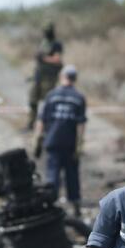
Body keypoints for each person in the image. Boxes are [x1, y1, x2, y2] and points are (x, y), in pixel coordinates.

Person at [34, 64, 87, 217]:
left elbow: (41, 120)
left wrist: (37, 140)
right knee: (72, 175)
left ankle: (51, 207)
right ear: (75, 79)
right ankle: (76, 207)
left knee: (52, 175)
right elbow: (81, 124)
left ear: (61, 77)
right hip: (70, 144)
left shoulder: (51, 95)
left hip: (52, 141)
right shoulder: (79, 97)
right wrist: (79, 145)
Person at [26, 22, 64, 130]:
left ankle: (48, 125)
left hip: (49, 77)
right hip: (38, 76)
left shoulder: (56, 44)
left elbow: (57, 60)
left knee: (48, 101)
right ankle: (31, 123)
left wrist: (44, 58)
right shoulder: (43, 43)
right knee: (32, 99)